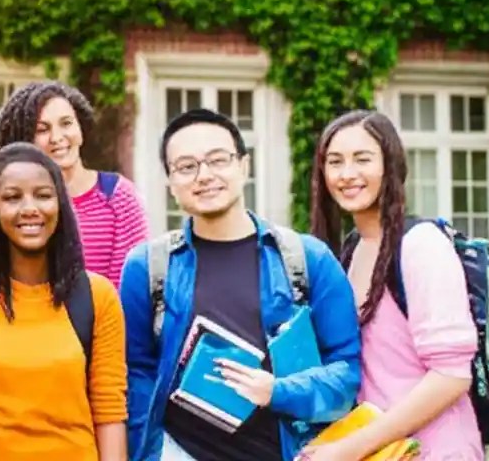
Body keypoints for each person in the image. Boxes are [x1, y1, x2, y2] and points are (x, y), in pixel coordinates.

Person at [119, 108, 362, 461]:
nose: (204, 176)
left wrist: (277, 391)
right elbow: (134, 375)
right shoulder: (148, 267)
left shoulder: (306, 259)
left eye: (218, 160)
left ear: (243, 166)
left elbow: (348, 372)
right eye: (186, 167)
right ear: (171, 183)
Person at [303, 110, 481, 460]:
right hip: (382, 451)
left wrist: (349, 449)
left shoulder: (422, 245)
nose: (347, 174)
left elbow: (451, 376)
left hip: (436, 449)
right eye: (335, 162)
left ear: (391, 165)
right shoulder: (352, 250)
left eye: (362, 159)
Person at [0, 142, 127, 461]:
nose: (29, 208)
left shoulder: (98, 297)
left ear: (61, 205)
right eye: (12, 197)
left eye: (43, 195)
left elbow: (109, 414)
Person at [0, 81, 147, 287]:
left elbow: (131, 288)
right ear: (25, 140)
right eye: (42, 129)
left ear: (80, 127)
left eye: (66, 123)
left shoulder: (118, 197)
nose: (57, 137)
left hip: (102, 317)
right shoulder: (2, 209)